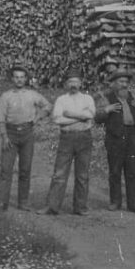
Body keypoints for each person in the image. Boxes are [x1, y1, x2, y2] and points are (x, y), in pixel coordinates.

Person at [0, 64, 51, 212]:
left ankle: (23, 202)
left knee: (25, 169)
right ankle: (2, 203)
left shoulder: (32, 94)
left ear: (26, 79)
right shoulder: (5, 96)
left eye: (22, 77)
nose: (19, 80)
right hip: (10, 134)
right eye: (16, 77)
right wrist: (4, 136)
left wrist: (37, 118)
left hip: (27, 133)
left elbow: (47, 106)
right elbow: (0, 118)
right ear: (12, 79)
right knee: (6, 170)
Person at [44, 72, 96, 215]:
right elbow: (57, 119)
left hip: (84, 138)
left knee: (82, 175)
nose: (73, 85)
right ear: (66, 84)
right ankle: (52, 206)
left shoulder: (88, 98)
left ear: (81, 84)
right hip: (66, 138)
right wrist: (80, 117)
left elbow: (91, 115)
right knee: (59, 173)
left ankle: (80, 208)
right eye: (70, 82)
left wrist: (69, 114)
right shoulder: (61, 100)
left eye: (76, 82)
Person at [96, 69, 135, 213]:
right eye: (121, 82)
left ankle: (134, 204)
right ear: (114, 84)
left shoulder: (132, 96)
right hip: (115, 137)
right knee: (115, 171)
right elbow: (97, 118)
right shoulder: (106, 97)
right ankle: (115, 202)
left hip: (132, 136)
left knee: (132, 171)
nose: (124, 85)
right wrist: (107, 109)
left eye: (126, 82)